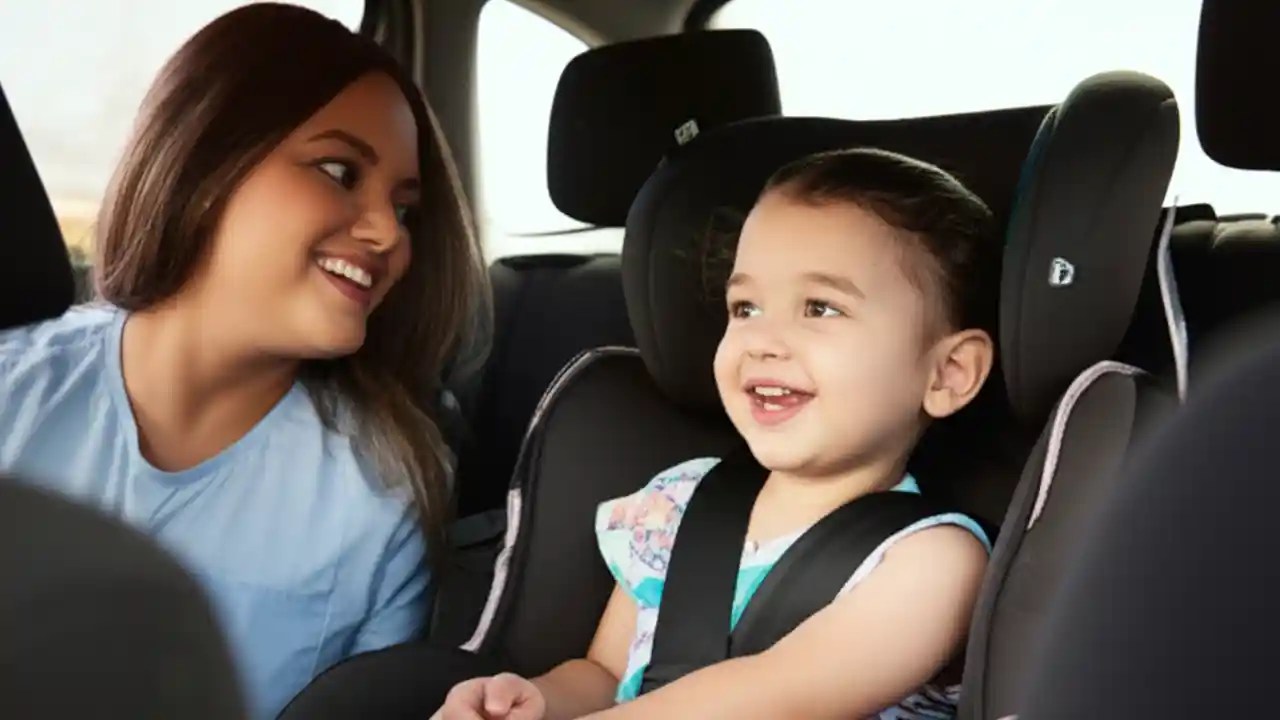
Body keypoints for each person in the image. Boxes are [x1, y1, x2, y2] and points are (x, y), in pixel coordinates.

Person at [0, 4, 488, 718]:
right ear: (204, 157)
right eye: (337, 170)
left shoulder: (385, 491)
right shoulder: (13, 385)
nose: (388, 233)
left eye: (406, 209)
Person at [435, 148, 998, 720]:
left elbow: (772, 697)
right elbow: (607, 674)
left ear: (948, 374)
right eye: (746, 307)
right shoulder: (678, 503)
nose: (763, 340)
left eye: (821, 308)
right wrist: (539, 702)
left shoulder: (932, 561)